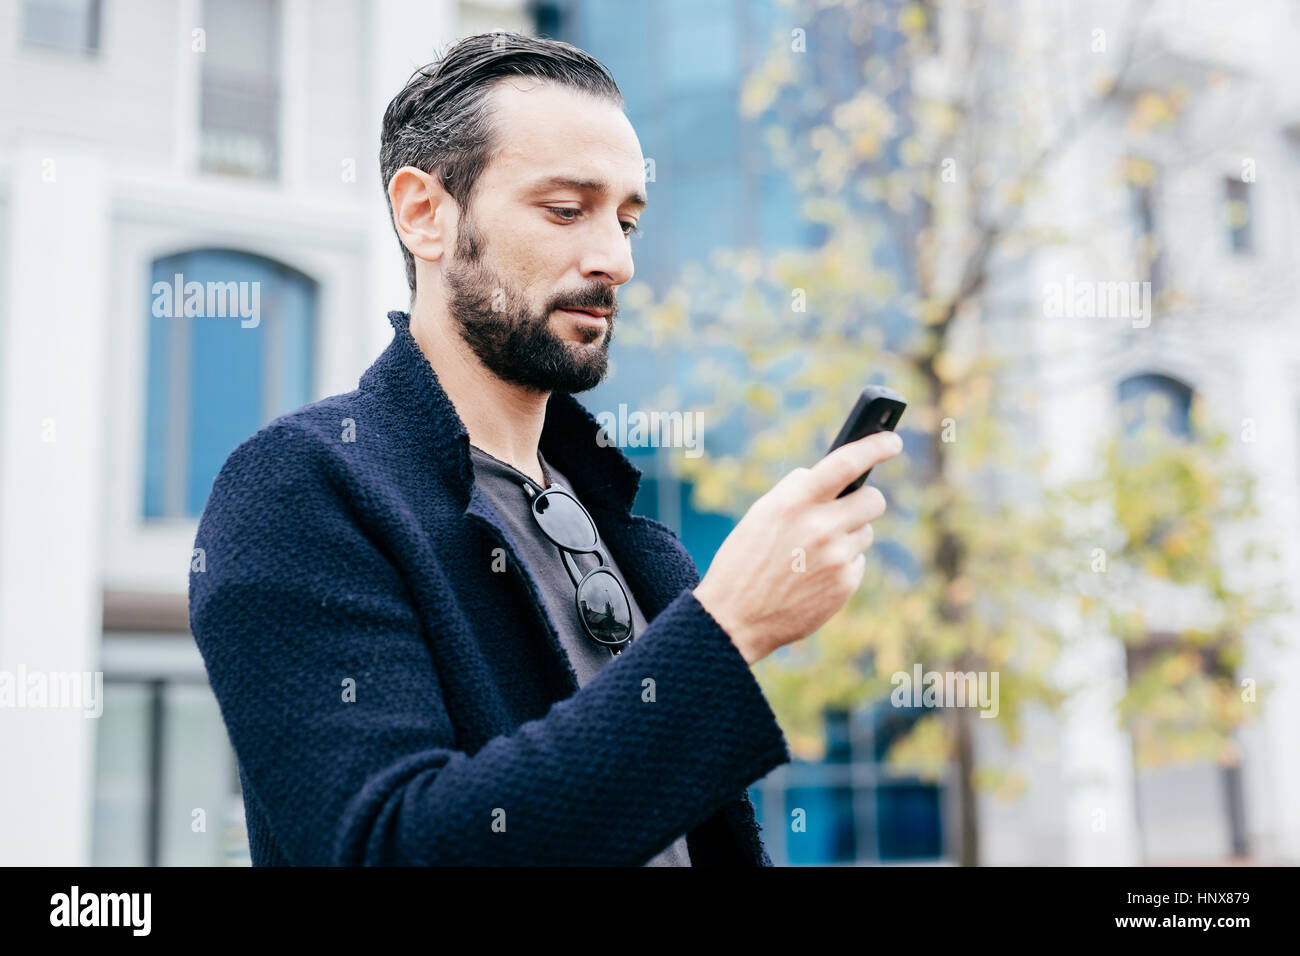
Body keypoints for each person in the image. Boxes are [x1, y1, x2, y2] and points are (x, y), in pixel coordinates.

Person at [188, 31, 901, 867]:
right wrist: (730, 627)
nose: (617, 260)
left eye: (628, 220)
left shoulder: (639, 544)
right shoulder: (303, 489)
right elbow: (392, 848)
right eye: (567, 210)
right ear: (425, 213)